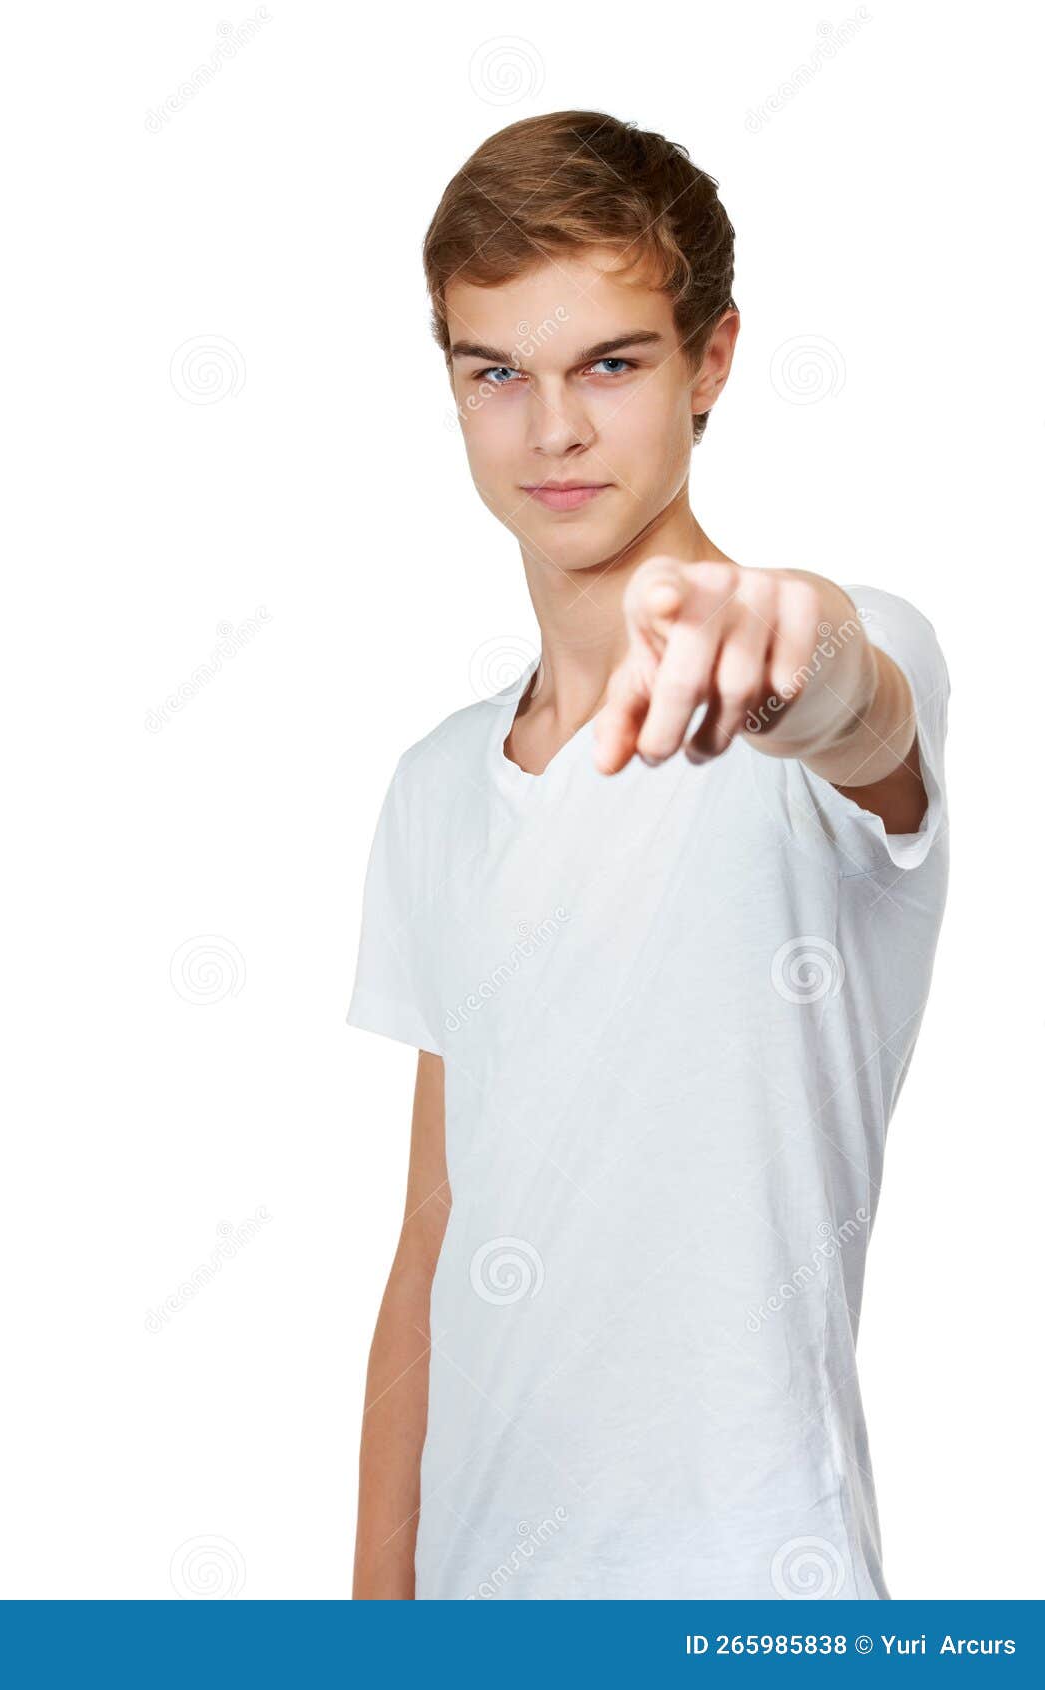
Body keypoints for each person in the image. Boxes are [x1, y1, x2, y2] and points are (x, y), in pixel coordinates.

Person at [345, 110, 950, 1601]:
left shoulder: (832, 676)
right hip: (480, 1601)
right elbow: (435, 1234)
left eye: (609, 364)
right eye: (497, 372)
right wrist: (368, 1625)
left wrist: (788, 644)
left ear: (711, 361)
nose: (551, 429)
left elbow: (845, 693)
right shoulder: (433, 788)